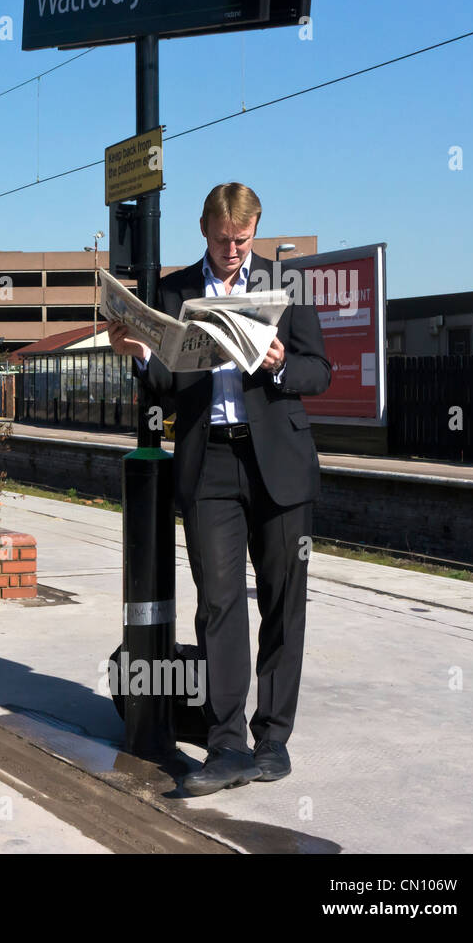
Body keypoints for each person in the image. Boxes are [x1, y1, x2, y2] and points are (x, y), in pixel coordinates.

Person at [108, 182, 331, 796]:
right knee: (220, 603)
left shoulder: (283, 289)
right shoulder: (176, 291)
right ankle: (227, 743)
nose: (233, 250)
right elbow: (160, 386)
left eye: (243, 239)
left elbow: (320, 371)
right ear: (203, 229)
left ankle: (274, 738)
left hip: (279, 465)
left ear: (254, 231)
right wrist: (135, 353)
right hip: (209, 466)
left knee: (283, 601)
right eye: (222, 239)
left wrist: (281, 363)